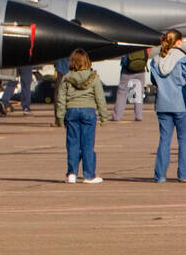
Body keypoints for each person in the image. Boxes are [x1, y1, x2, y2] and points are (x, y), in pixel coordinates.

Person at [54, 48, 109, 183]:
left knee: (72, 144)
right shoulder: (94, 78)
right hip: (88, 111)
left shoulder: (66, 78)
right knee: (87, 145)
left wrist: (60, 117)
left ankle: (71, 174)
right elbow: (100, 98)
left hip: (71, 111)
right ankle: (89, 175)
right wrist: (104, 116)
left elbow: (60, 99)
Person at [147, 29, 186, 183]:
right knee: (183, 139)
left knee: (164, 140)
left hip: (162, 104)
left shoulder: (156, 60)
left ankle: (160, 175)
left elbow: (154, 81)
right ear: (177, 42)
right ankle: (183, 174)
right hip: (180, 104)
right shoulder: (182, 58)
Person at [112, 48, 149, 121]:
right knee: (138, 92)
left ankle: (117, 116)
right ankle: (139, 115)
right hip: (141, 69)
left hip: (127, 70)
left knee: (122, 92)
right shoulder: (142, 42)